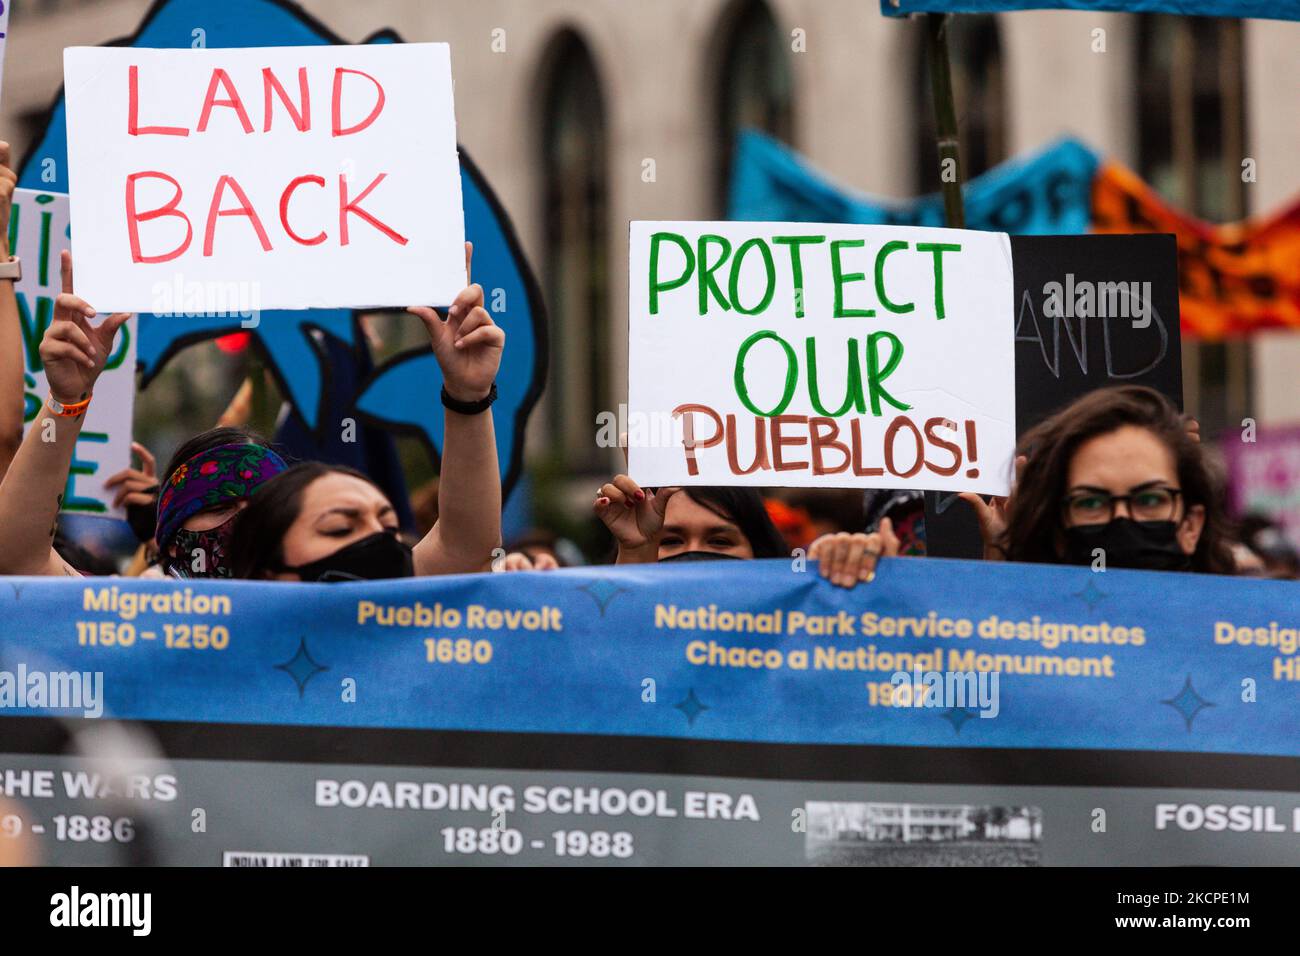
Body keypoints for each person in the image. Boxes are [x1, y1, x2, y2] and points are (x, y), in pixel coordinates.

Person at [228, 245, 504, 582]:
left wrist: (468, 394)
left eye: (389, 526)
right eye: (341, 527)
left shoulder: (399, 601)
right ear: (267, 566)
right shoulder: (221, 630)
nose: (376, 536)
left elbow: (468, 548)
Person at [960, 385, 1234, 574]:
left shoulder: (1248, 640)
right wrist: (1004, 569)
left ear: (1191, 525)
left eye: (1150, 499)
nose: (1122, 519)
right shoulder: (1020, 644)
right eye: (1091, 503)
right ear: (1057, 530)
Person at [592, 475, 891, 587]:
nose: (694, 554)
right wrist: (635, 551)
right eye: (671, 541)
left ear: (759, 551)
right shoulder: (608, 638)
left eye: (719, 541)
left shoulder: (801, 640)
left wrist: (859, 581)